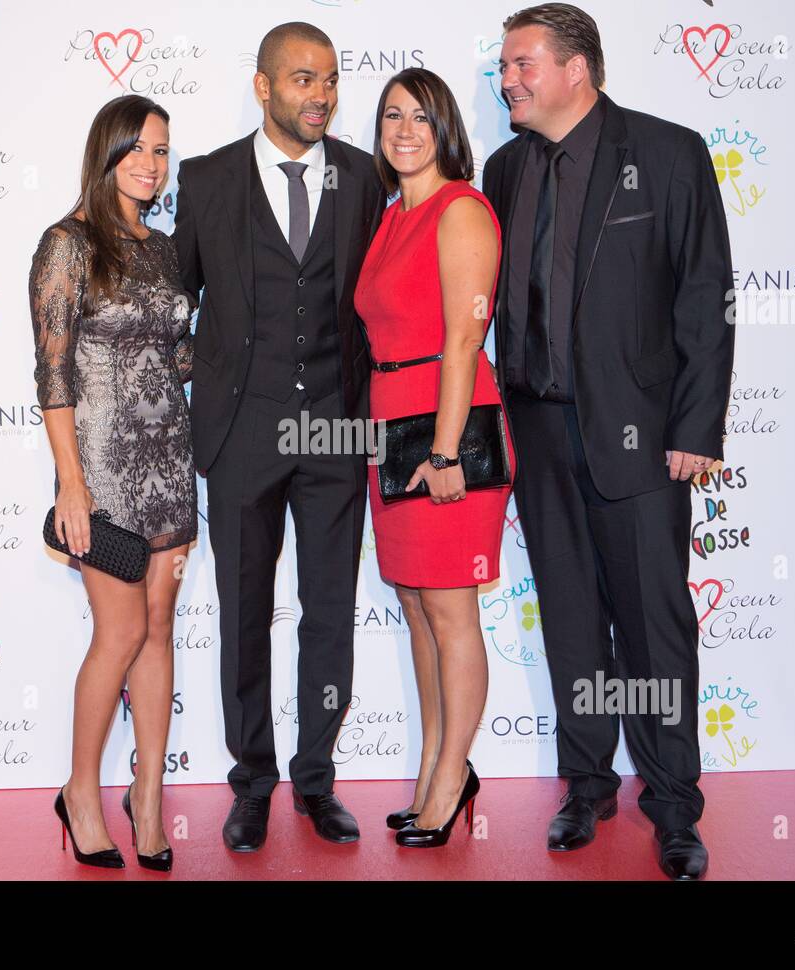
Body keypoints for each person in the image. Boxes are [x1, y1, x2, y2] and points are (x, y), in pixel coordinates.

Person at [485, 4, 735, 880]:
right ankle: (587, 785)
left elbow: (704, 296)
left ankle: (672, 805)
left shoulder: (668, 154)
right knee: (572, 622)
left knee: (655, 629)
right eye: (504, 67)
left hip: (642, 440)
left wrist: (695, 429)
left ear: (576, 69)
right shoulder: (505, 166)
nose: (506, 80)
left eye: (520, 65)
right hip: (540, 433)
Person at [172, 22, 383, 852]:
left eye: (329, 81)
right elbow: (174, 305)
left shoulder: (366, 178)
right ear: (263, 87)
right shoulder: (208, 179)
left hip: (334, 428)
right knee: (243, 616)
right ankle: (252, 781)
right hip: (242, 434)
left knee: (329, 615)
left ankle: (317, 779)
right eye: (302, 80)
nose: (320, 96)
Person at [29, 94, 196, 872]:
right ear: (106, 153)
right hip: (103, 471)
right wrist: (72, 486)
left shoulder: (164, 249)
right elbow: (53, 373)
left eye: (161, 151)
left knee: (159, 631)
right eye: (136, 148)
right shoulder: (67, 244)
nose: (150, 164)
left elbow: (178, 359)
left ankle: (150, 798)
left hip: (171, 465)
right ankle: (82, 793)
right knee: (120, 633)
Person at [353, 68, 513, 848]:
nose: (404, 129)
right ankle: (432, 768)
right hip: (390, 425)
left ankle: (452, 780)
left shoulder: (461, 211)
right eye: (391, 116)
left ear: (446, 127)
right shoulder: (390, 217)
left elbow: (462, 338)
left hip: (450, 429)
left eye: (420, 116)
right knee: (416, 607)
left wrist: (446, 450)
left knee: (451, 610)